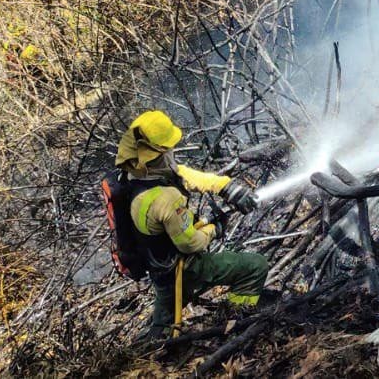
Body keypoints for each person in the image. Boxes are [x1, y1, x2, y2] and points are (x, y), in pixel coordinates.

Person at [114, 109, 270, 338]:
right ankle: (238, 319)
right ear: (160, 153)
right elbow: (191, 244)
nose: (173, 152)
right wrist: (213, 230)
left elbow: (183, 174)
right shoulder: (165, 199)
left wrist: (226, 187)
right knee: (255, 265)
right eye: (169, 148)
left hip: (160, 269)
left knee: (161, 329)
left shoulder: (133, 176)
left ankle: (147, 349)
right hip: (183, 268)